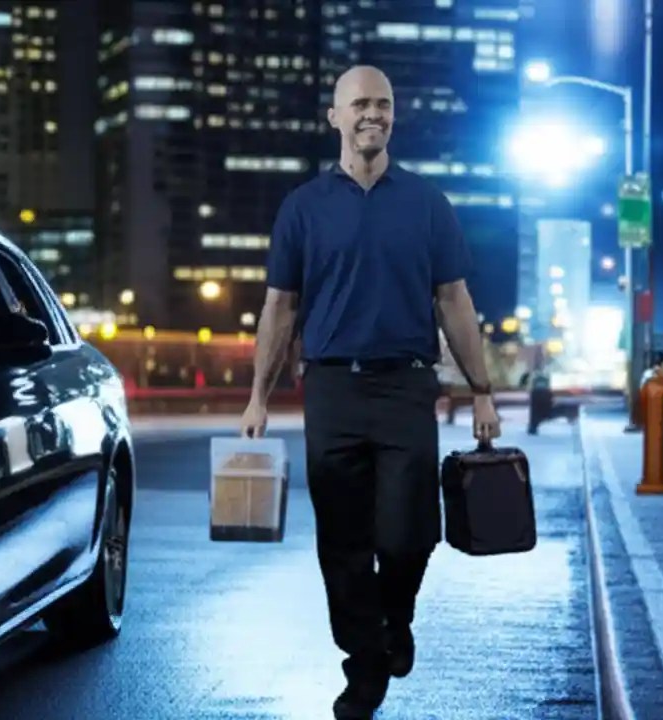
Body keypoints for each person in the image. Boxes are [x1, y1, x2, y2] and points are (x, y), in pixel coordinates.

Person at [240, 65, 501, 720]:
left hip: (408, 386)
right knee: (344, 544)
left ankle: (397, 617)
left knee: (409, 534)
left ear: (393, 115)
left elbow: (455, 302)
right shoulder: (303, 208)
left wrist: (483, 390)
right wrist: (257, 395)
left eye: (383, 105)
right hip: (331, 389)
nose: (372, 115)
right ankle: (364, 666)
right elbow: (279, 308)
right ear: (334, 116)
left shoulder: (427, 204)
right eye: (360, 104)